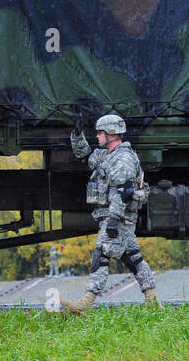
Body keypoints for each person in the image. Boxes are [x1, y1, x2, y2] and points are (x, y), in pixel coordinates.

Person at [63, 114, 158, 313]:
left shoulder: (122, 158)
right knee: (133, 257)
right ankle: (153, 302)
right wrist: (77, 133)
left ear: (111, 134)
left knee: (101, 254)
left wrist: (114, 220)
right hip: (114, 215)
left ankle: (85, 303)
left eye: (100, 133)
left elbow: (123, 193)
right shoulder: (107, 155)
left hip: (120, 216)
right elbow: (85, 156)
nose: (97, 136)